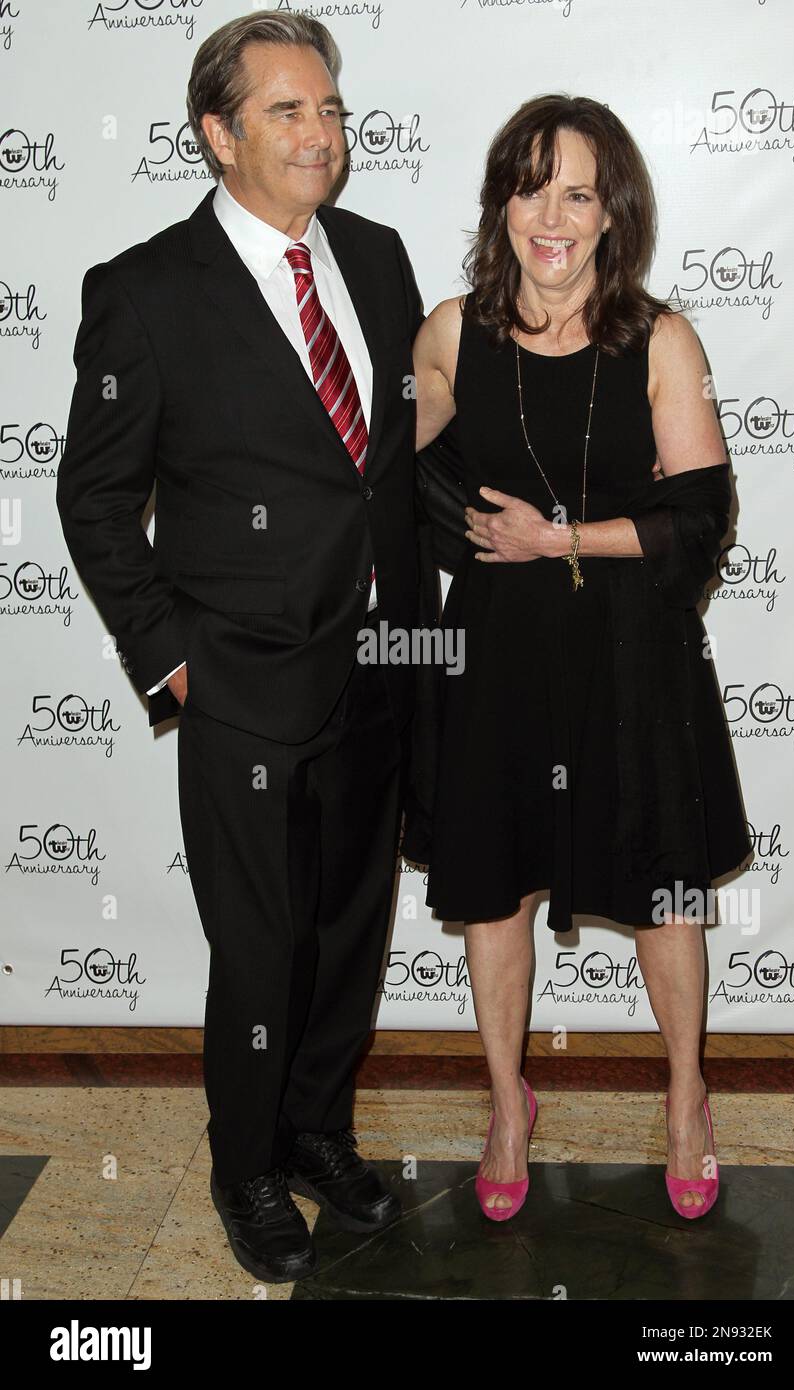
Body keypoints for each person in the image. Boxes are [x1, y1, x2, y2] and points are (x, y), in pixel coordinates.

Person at [56, 12, 427, 1283]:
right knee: (260, 943)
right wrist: (174, 660)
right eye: (287, 111)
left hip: (379, 666)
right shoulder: (147, 292)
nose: (322, 132)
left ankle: (318, 1128)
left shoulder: (376, 259)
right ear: (218, 134)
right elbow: (93, 499)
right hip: (244, 686)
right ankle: (246, 1164)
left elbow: (388, 471)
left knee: (349, 928)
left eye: (329, 106)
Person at [410, 96, 753, 1223]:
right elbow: (396, 475)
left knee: (661, 887)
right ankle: (508, 1101)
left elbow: (701, 516)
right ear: (500, 200)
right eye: (529, 185)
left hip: (630, 656)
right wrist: (474, 530)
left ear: (614, 214)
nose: (549, 215)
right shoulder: (452, 332)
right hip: (499, 655)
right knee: (496, 891)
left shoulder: (662, 339)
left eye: (577, 191)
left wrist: (558, 537)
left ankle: (688, 1093)